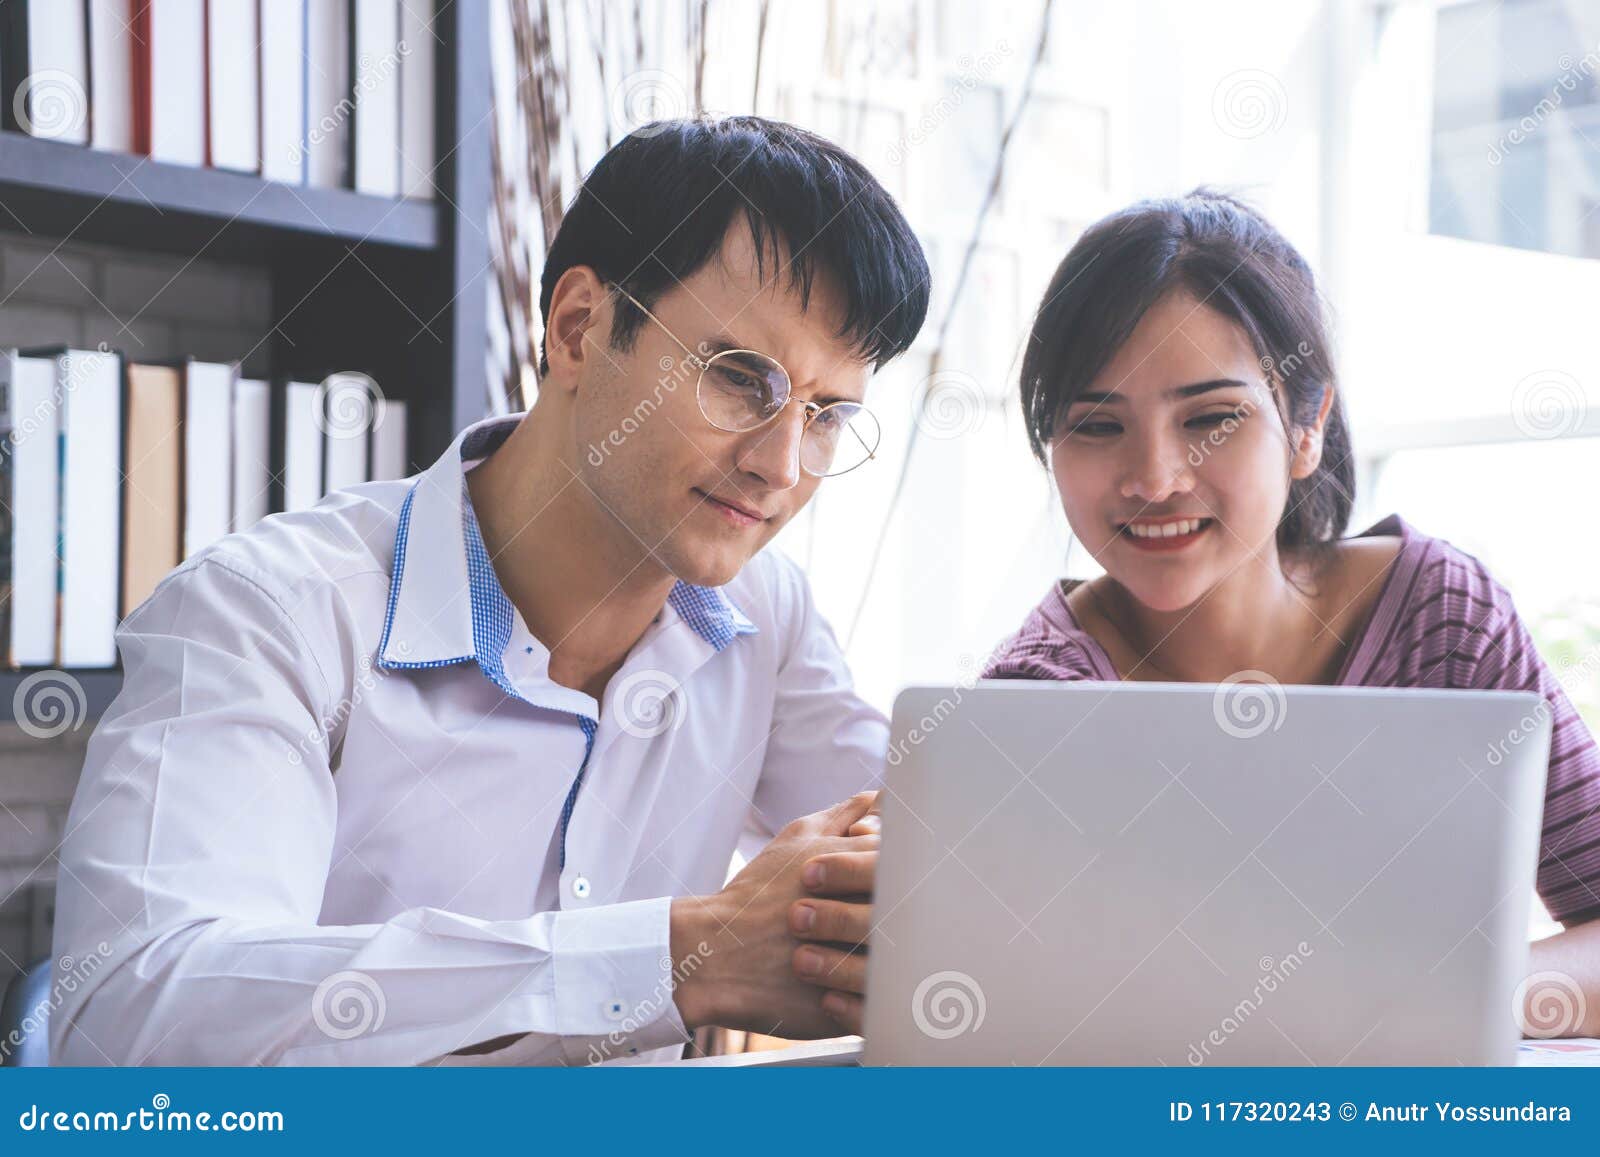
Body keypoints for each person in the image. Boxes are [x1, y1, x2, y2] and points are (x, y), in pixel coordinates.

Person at [50, 116, 927, 1065]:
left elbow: (943, 862)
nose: (781, 466)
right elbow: (131, 1021)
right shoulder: (270, 612)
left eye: (826, 416)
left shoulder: (766, 617)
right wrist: (676, 960)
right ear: (580, 328)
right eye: (740, 379)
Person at [984, 189, 1600, 1034]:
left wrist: (1443, 997)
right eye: (1097, 425)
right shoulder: (1034, 700)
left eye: (1211, 418)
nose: (1154, 478)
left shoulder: (1443, 619)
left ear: (1307, 426)